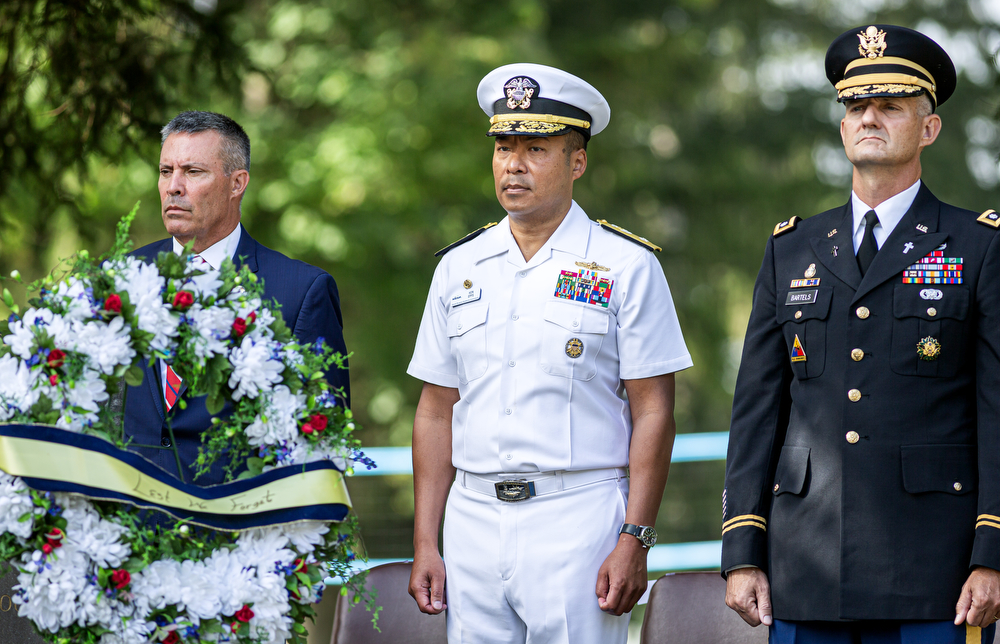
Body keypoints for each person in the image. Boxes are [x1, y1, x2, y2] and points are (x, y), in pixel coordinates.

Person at [723, 24, 1000, 643]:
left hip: (933, 570)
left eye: (890, 107)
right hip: (806, 564)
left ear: (928, 128)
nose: (869, 118)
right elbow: (758, 408)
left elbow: (997, 408)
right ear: (843, 126)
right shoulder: (791, 248)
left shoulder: (979, 247)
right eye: (856, 107)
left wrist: (993, 551)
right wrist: (743, 546)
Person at [405, 63, 692, 644]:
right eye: (504, 147)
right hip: (473, 519)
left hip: (578, 518)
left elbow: (654, 410)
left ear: (576, 162)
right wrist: (425, 541)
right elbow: (436, 409)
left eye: (535, 148)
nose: (513, 164)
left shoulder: (625, 265)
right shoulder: (458, 267)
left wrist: (635, 536)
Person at [123, 111, 349, 485]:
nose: (173, 187)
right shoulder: (120, 278)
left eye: (193, 172)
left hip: (240, 527)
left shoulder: (300, 291)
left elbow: (325, 441)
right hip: (127, 519)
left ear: (237, 183)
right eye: (166, 172)